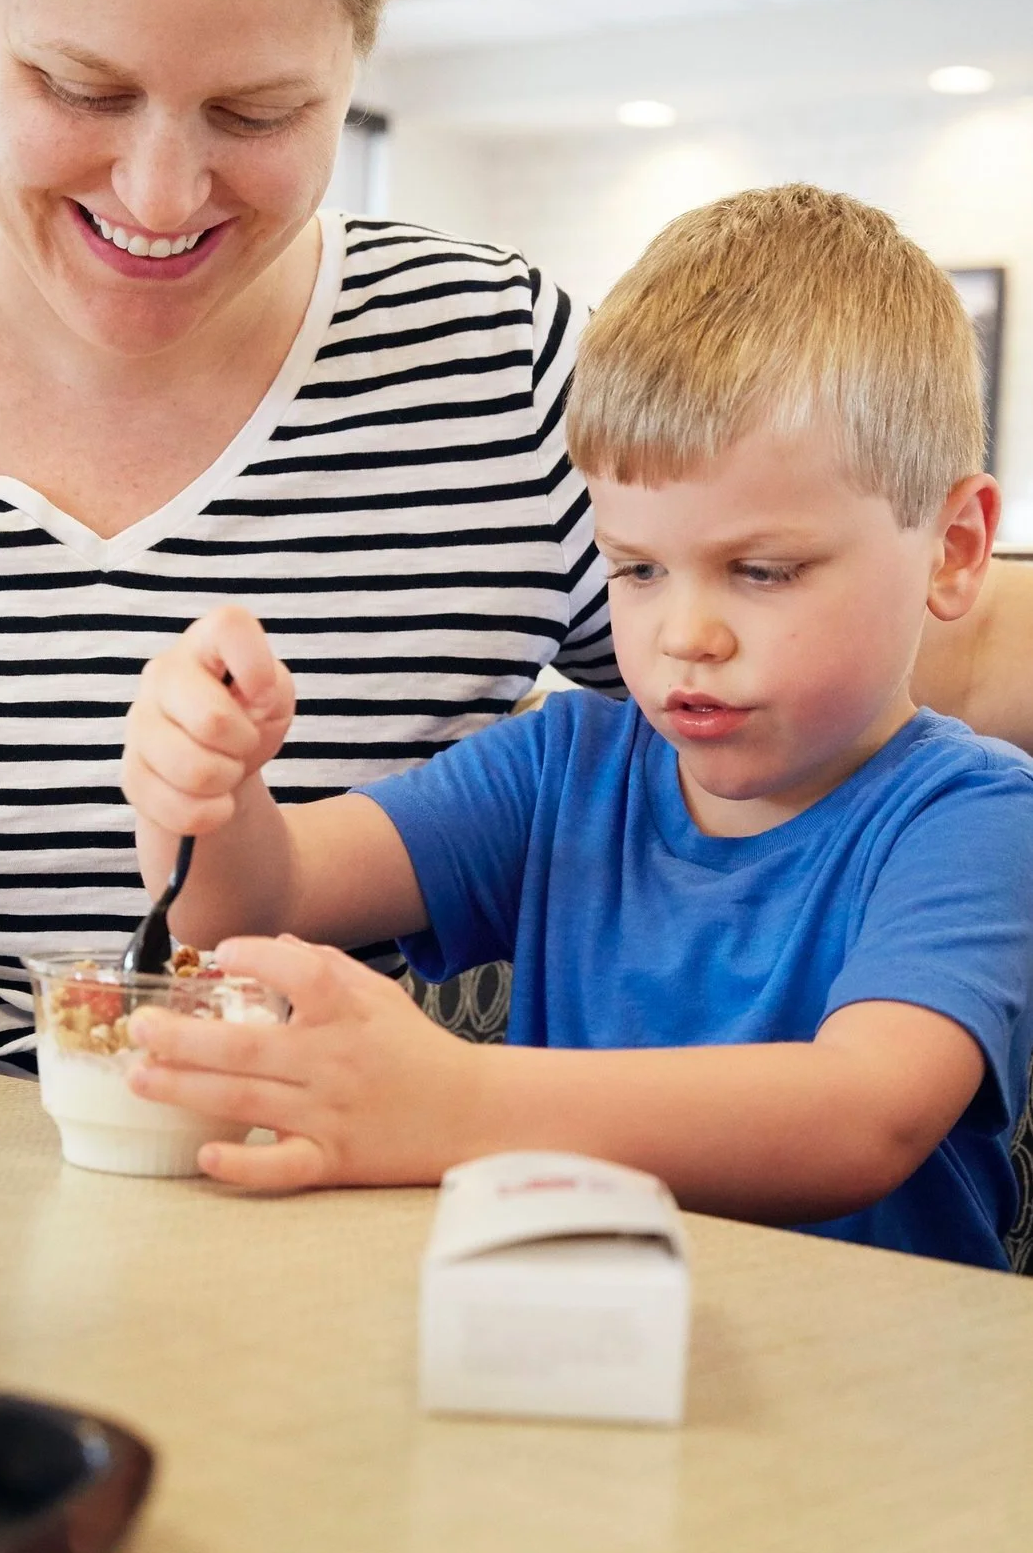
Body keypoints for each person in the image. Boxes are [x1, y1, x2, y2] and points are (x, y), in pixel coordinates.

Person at [0, 0, 1033, 1069]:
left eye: (256, 112)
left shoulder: (497, 362)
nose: (159, 192)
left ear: (350, 71)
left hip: (296, 1209)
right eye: (79, 88)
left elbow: (909, 634)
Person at [120, 184, 1033, 1271]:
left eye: (761, 570)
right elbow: (256, 904)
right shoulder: (562, 767)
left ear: (952, 548)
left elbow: (858, 1115)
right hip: (571, 1349)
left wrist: (453, 1099)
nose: (682, 634)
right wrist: (206, 792)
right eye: (635, 567)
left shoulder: (973, 818)